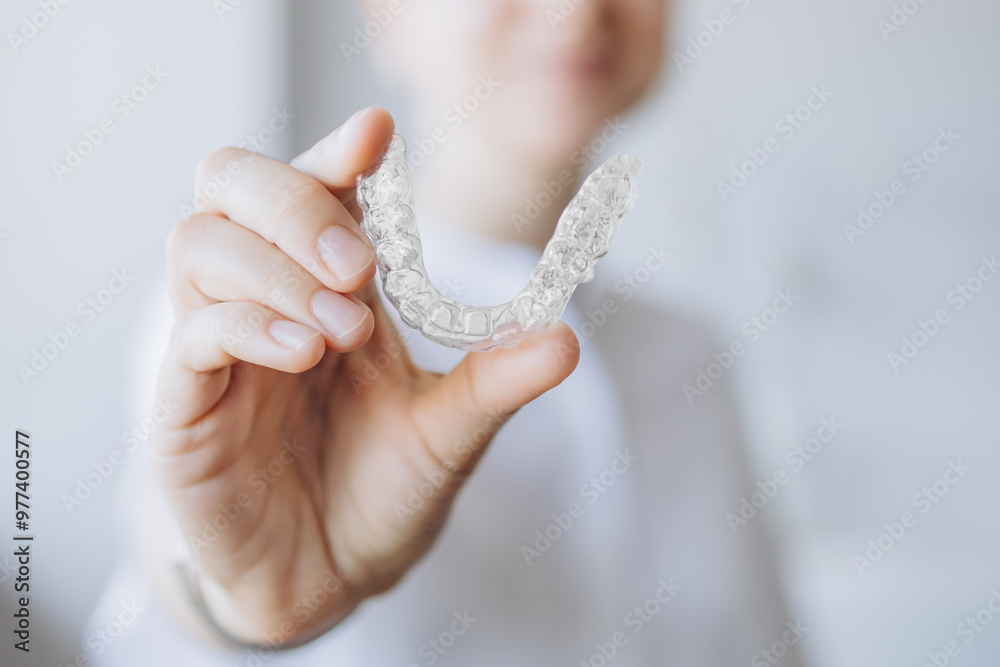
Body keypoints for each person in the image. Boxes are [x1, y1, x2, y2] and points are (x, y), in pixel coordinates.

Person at [89, 0, 802, 663]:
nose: (577, 11)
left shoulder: (691, 360)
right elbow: (150, 591)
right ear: (386, 13)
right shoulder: (258, 321)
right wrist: (237, 601)